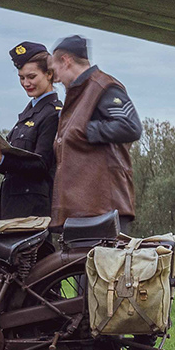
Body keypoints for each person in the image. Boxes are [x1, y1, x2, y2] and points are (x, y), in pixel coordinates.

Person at [49, 35, 142, 229]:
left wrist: (86, 130)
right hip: (83, 208)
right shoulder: (78, 93)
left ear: (66, 61)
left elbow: (130, 126)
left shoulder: (103, 86)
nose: (55, 77)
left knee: (106, 261)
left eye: (55, 69)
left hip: (103, 209)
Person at [0, 41, 62, 220]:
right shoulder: (29, 112)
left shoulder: (53, 114)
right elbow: (18, 161)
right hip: (12, 204)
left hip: (33, 211)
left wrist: (1, 158)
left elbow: (42, 165)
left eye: (31, 77)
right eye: (21, 78)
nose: (26, 83)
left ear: (49, 74)